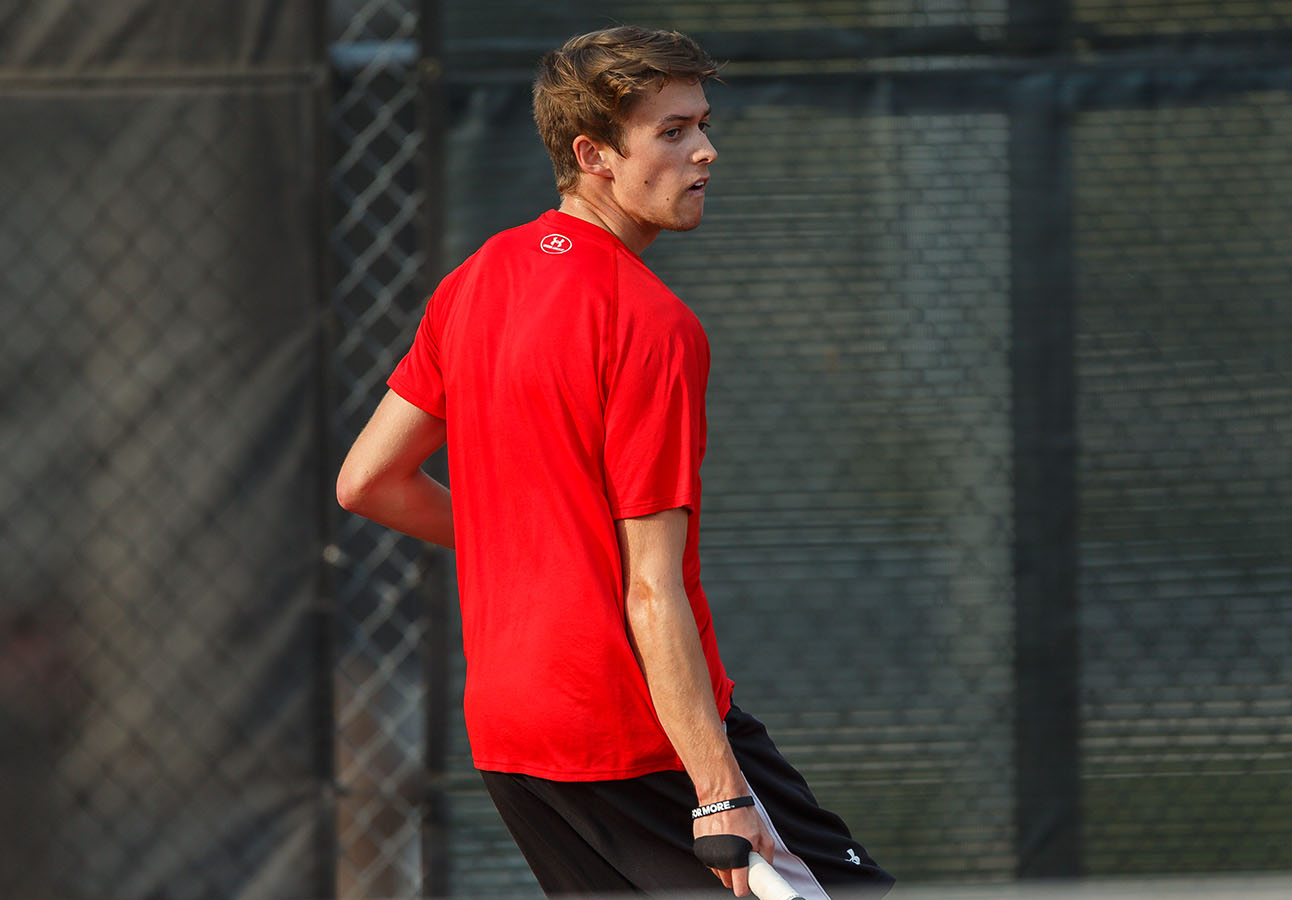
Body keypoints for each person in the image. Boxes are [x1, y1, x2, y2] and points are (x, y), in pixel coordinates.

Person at [336, 25, 894, 899]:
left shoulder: (474, 281)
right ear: (593, 154)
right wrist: (719, 795)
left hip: (512, 734)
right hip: (634, 732)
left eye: (703, 123)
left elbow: (367, 481)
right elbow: (649, 587)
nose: (705, 149)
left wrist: (529, 552)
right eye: (671, 132)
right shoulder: (652, 325)